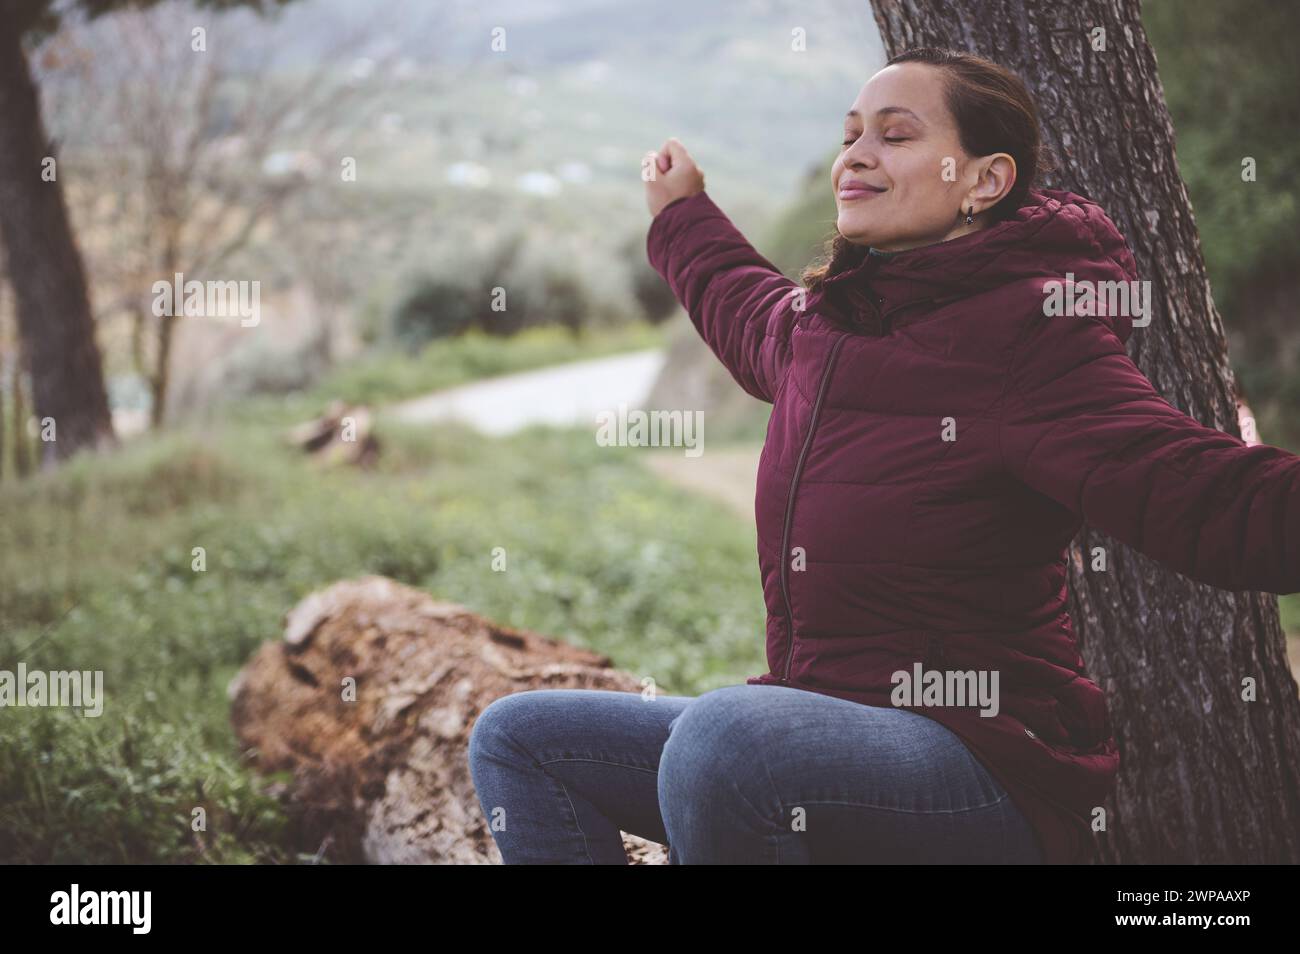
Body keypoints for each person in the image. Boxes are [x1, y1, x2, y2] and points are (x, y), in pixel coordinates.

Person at [468, 47, 1300, 864]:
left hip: (979, 764)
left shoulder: (1031, 335)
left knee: (730, 740)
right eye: (851, 134)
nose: (856, 156)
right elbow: (744, 305)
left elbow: (1202, 496)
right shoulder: (826, 326)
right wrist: (683, 213)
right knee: (522, 739)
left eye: (895, 136)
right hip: (814, 734)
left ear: (983, 181)